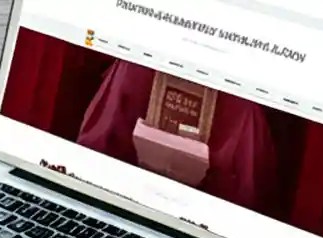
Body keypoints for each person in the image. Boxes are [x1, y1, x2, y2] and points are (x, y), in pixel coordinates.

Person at [76, 60, 280, 215]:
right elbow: (90, 162)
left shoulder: (242, 108)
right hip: (117, 207)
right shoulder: (133, 72)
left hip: (233, 77)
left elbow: (244, 206)